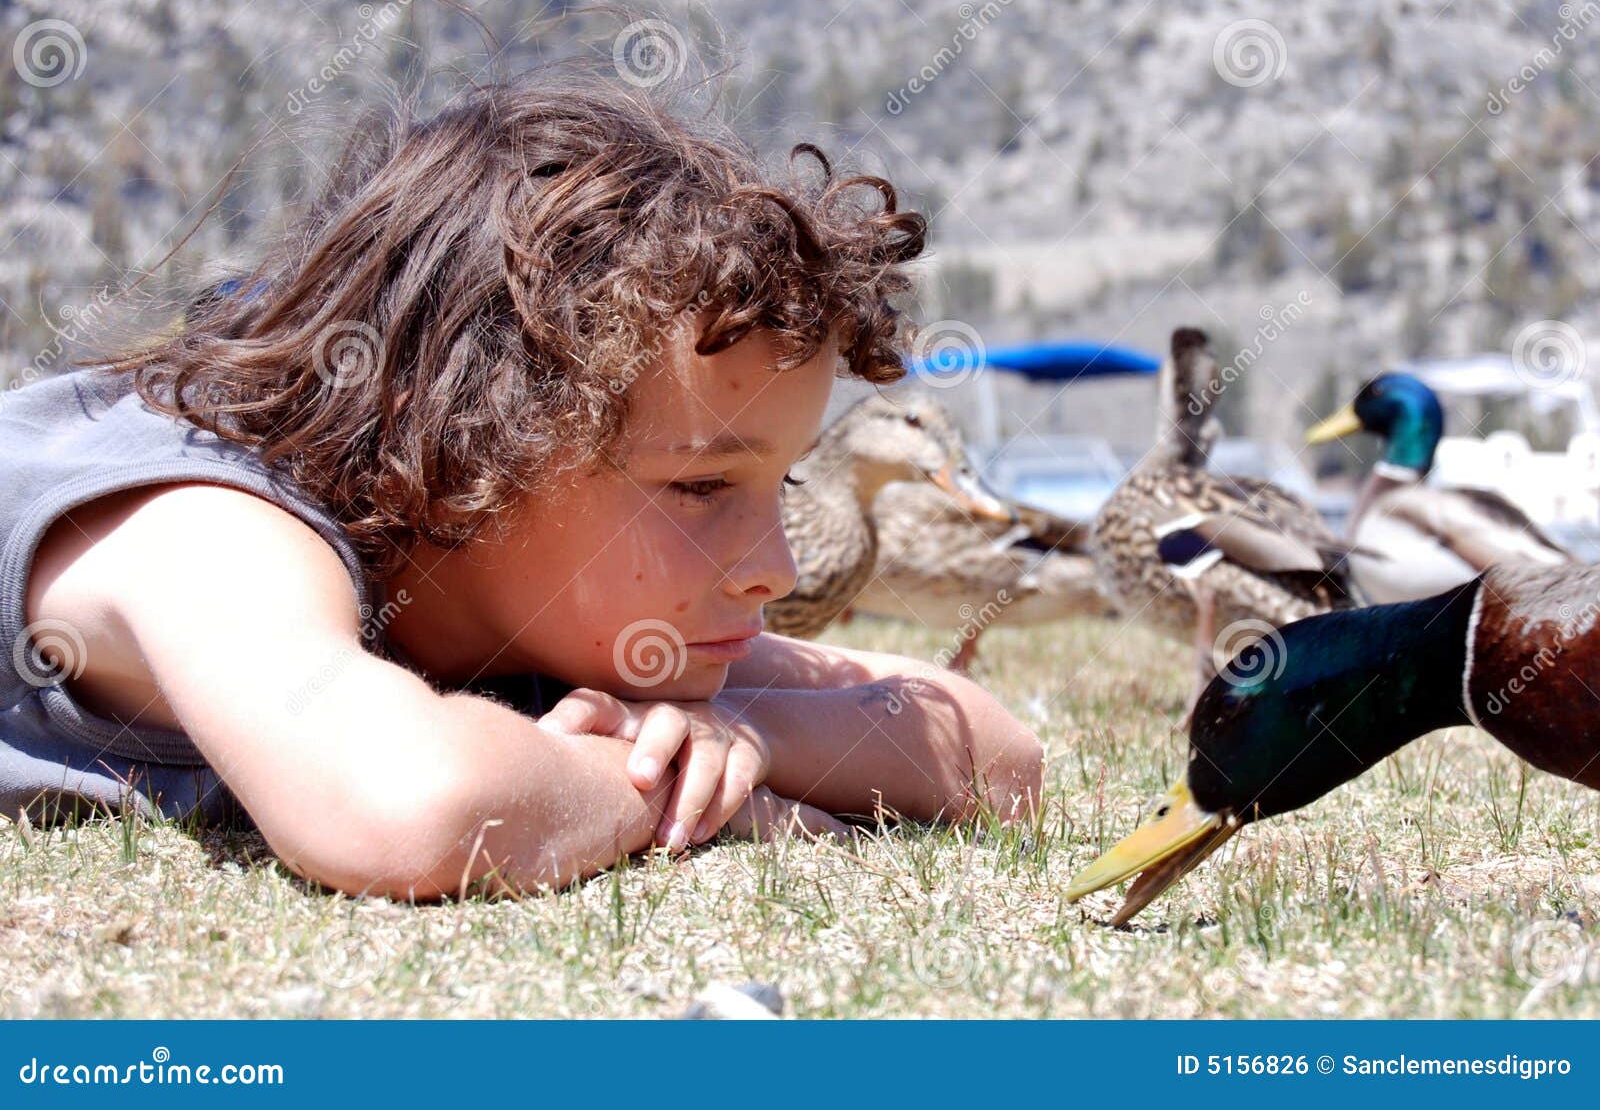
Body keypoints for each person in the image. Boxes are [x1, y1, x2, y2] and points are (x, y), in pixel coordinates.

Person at [1, 66, 1042, 902]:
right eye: (698, 489)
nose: (772, 566)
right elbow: (407, 808)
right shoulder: (210, 530)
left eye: (776, 484)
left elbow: (995, 756)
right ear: (473, 443)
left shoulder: (546, 598)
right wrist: (667, 794)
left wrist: (752, 738)